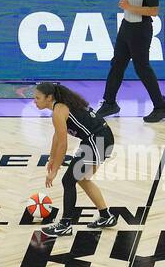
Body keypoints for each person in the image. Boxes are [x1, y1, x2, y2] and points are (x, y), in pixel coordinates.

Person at [96, 0, 165, 123]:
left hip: (140, 29)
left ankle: (161, 107)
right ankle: (109, 102)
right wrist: (126, 8)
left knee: (142, 68)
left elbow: (154, 10)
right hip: (126, 26)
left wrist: (130, 8)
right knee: (117, 64)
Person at [33, 82, 118, 238]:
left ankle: (65, 224)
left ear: (49, 97)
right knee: (83, 179)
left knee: (68, 180)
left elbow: (63, 145)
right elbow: (57, 136)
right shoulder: (59, 108)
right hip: (101, 138)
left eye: (37, 98)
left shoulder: (59, 111)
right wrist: (52, 158)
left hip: (97, 140)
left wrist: (54, 171)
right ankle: (106, 216)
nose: (34, 101)